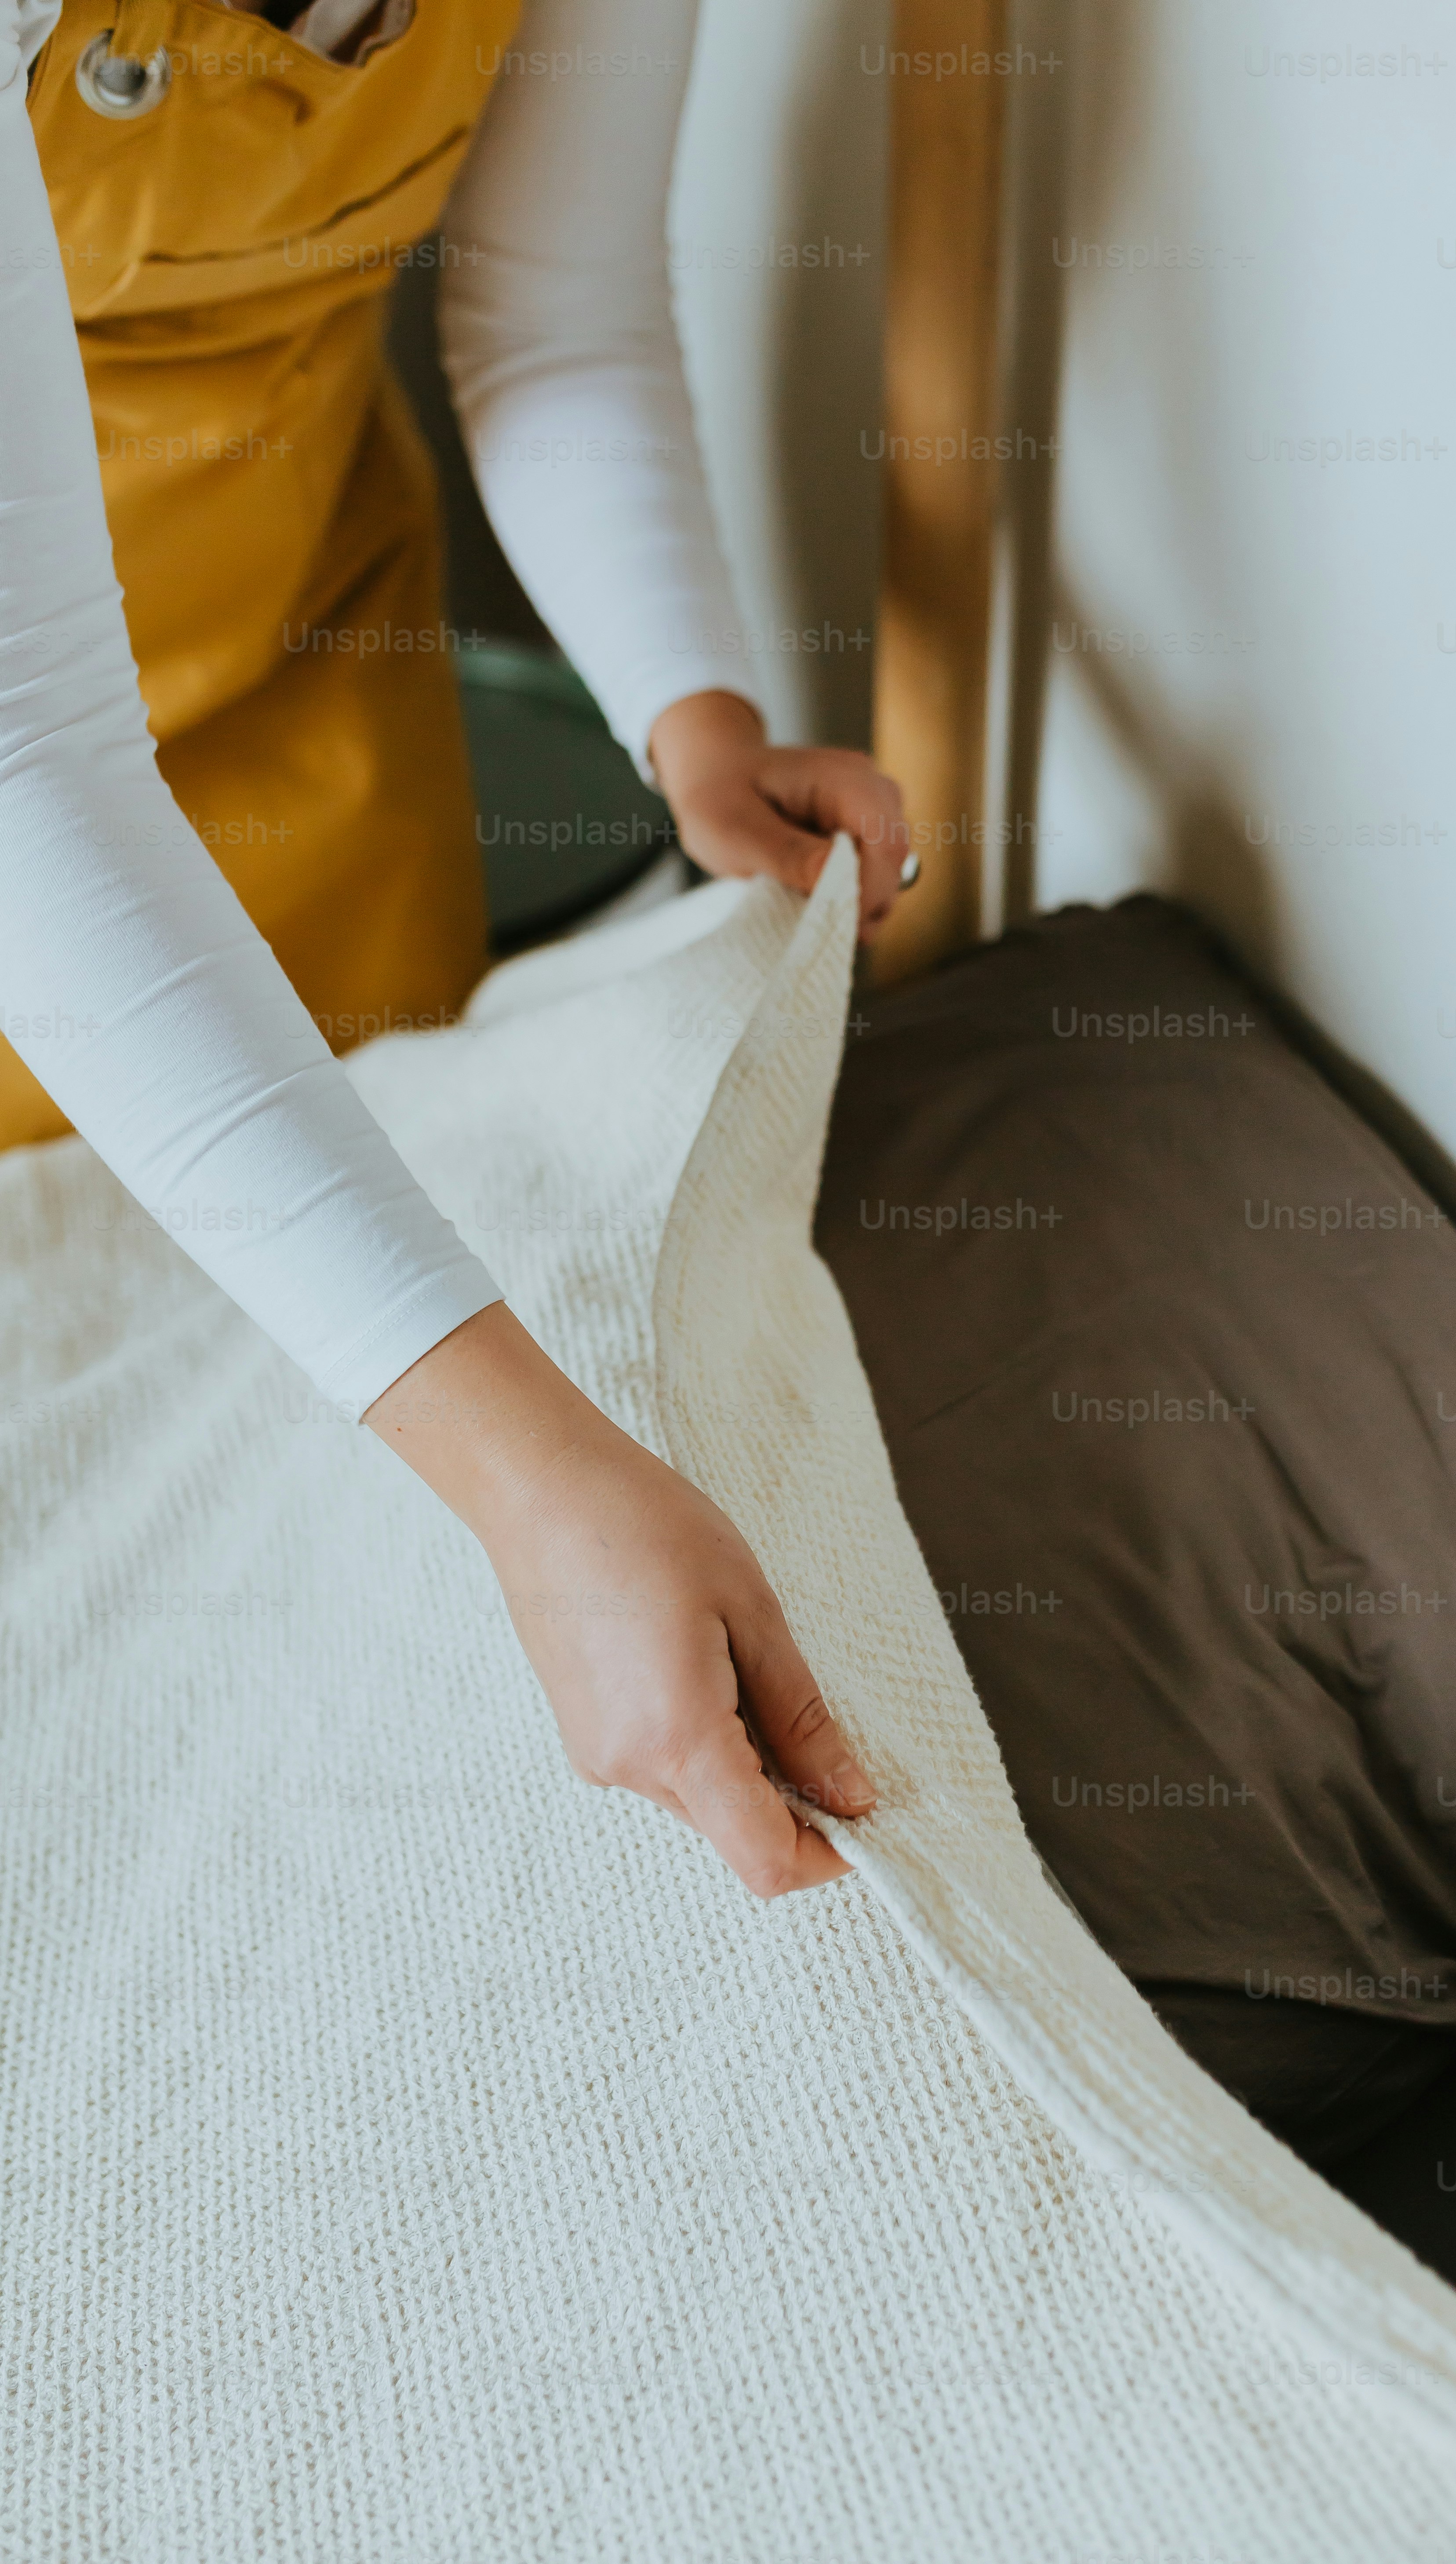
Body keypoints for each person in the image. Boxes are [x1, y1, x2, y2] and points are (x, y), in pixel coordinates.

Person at [0, 0, 905, 1893]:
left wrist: (694, 719)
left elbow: (559, 316)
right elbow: (28, 760)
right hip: (39, 816)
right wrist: (538, 1482)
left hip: (314, 735)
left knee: (304, 1512)